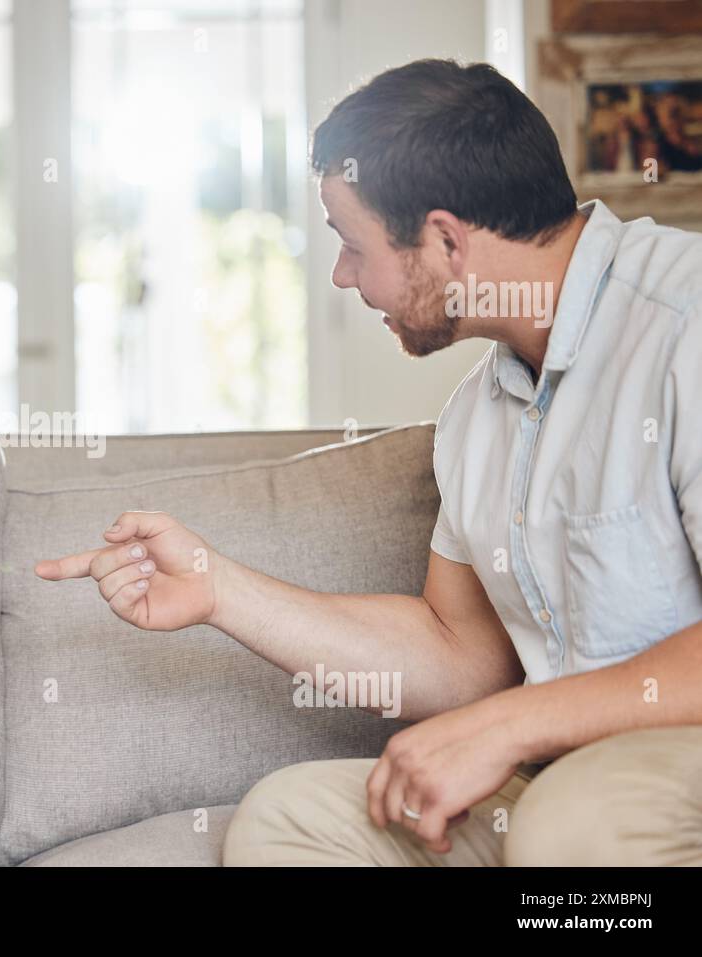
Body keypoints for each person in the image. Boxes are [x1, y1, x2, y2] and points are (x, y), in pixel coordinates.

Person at [34, 59, 702, 866]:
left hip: (657, 774)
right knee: (290, 818)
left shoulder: (683, 326)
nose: (343, 276)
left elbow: (502, 712)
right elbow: (459, 656)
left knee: (571, 824)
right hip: (555, 787)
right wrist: (218, 587)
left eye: (354, 246)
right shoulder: (476, 418)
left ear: (447, 240)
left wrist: (511, 725)